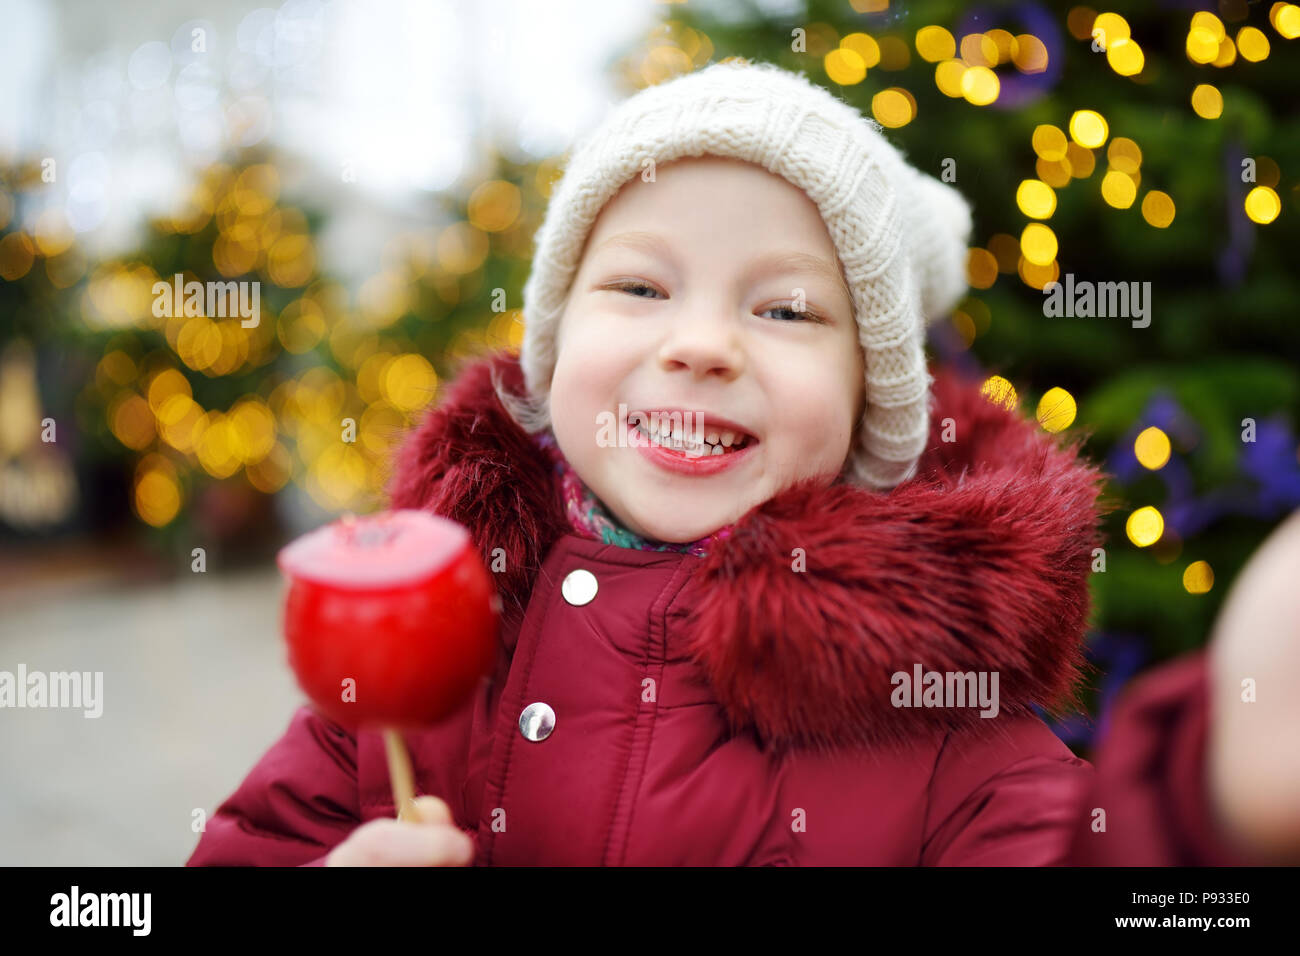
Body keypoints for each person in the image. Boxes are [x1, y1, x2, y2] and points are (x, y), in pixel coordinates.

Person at [186, 60, 1298, 867]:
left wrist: (1208, 796)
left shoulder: (937, 710)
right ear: (554, 336)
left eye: (783, 307)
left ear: (871, 406)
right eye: (638, 286)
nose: (702, 342)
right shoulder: (426, 658)